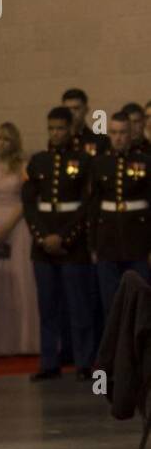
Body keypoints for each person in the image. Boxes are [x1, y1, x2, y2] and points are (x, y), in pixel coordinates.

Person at [23, 107, 96, 382]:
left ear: (70, 129)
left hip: (72, 246)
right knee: (47, 307)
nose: (55, 133)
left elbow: (87, 205)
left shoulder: (84, 161)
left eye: (60, 128)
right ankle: (49, 362)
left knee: (79, 307)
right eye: (51, 128)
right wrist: (43, 238)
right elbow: (29, 204)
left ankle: (84, 362)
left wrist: (64, 238)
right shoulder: (38, 162)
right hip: (43, 247)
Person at [0, 122, 40, 357]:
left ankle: (24, 341)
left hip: (17, 227)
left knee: (21, 283)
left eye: (6, 139)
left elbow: (26, 200)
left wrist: (7, 226)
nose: (1, 143)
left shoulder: (22, 167)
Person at [89, 110, 151, 324]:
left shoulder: (145, 161)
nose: (118, 137)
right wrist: (93, 245)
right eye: (113, 132)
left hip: (138, 241)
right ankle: (116, 356)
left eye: (123, 132)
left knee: (142, 304)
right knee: (112, 304)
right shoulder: (99, 164)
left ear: (132, 133)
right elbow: (93, 206)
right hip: (108, 241)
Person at [62, 88, 110, 158]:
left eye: (76, 108)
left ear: (86, 110)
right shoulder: (59, 141)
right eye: (67, 109)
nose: (71, 113)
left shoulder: (100, 141)